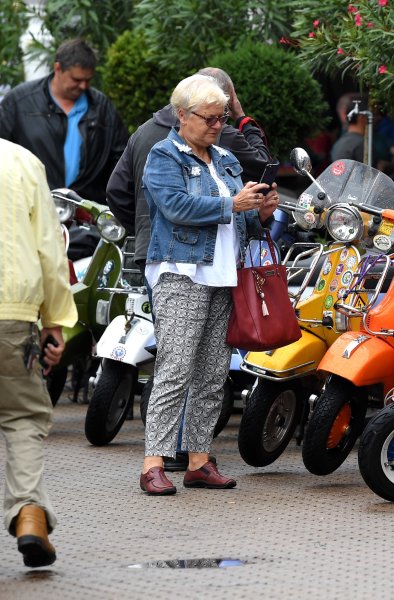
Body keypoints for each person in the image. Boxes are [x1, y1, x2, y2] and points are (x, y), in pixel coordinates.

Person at [106, 67, 275, 472]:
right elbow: (176, 208)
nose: (218, 126)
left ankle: (199, 462)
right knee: (175, 368)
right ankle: (154, 464)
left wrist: (260, 214)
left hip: (224, 276)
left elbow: (240, 223)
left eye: (222, 118)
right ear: (182, 115)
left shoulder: (226, 159)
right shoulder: (163, 155)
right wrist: (232, 205)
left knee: (213, 374)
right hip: (180, 272)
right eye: (209, 119)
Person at [0, 139, 78, 567]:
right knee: (23, 417)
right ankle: (30, 514)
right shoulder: (22, 161)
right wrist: (55, 318)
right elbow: (50, 251)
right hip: (12, 313)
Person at [0, 39, 128, 203]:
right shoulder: (19, 102)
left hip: (86, 212)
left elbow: (120, 159)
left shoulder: (102, 107)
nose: (83, 86)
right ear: (58, 68)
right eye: (76, 80)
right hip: (31, 205)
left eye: (88, 80)